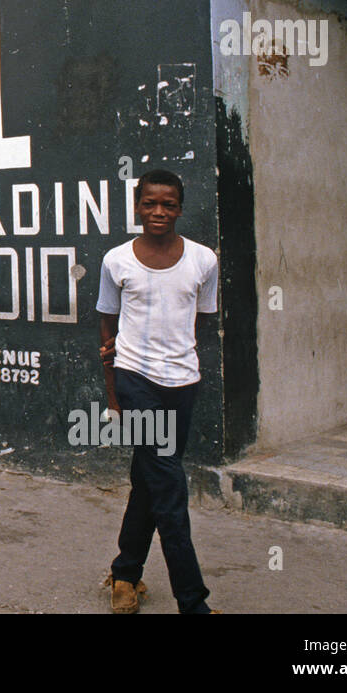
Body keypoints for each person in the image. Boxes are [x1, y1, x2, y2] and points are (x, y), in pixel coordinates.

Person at [96, 169, 218, 614]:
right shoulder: (117, 261)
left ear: (180, 208)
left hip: (183, 382)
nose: (159, 212)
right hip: (135, 380)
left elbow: (200, 318)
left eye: (168, 204)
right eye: (150, 203)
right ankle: (193, 603)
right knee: (169, 491)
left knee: (149, 482)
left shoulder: (204, 260)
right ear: (137, 207)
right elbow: (107, 328)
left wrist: (176, 357)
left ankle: (125, 573)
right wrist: (114, 396)